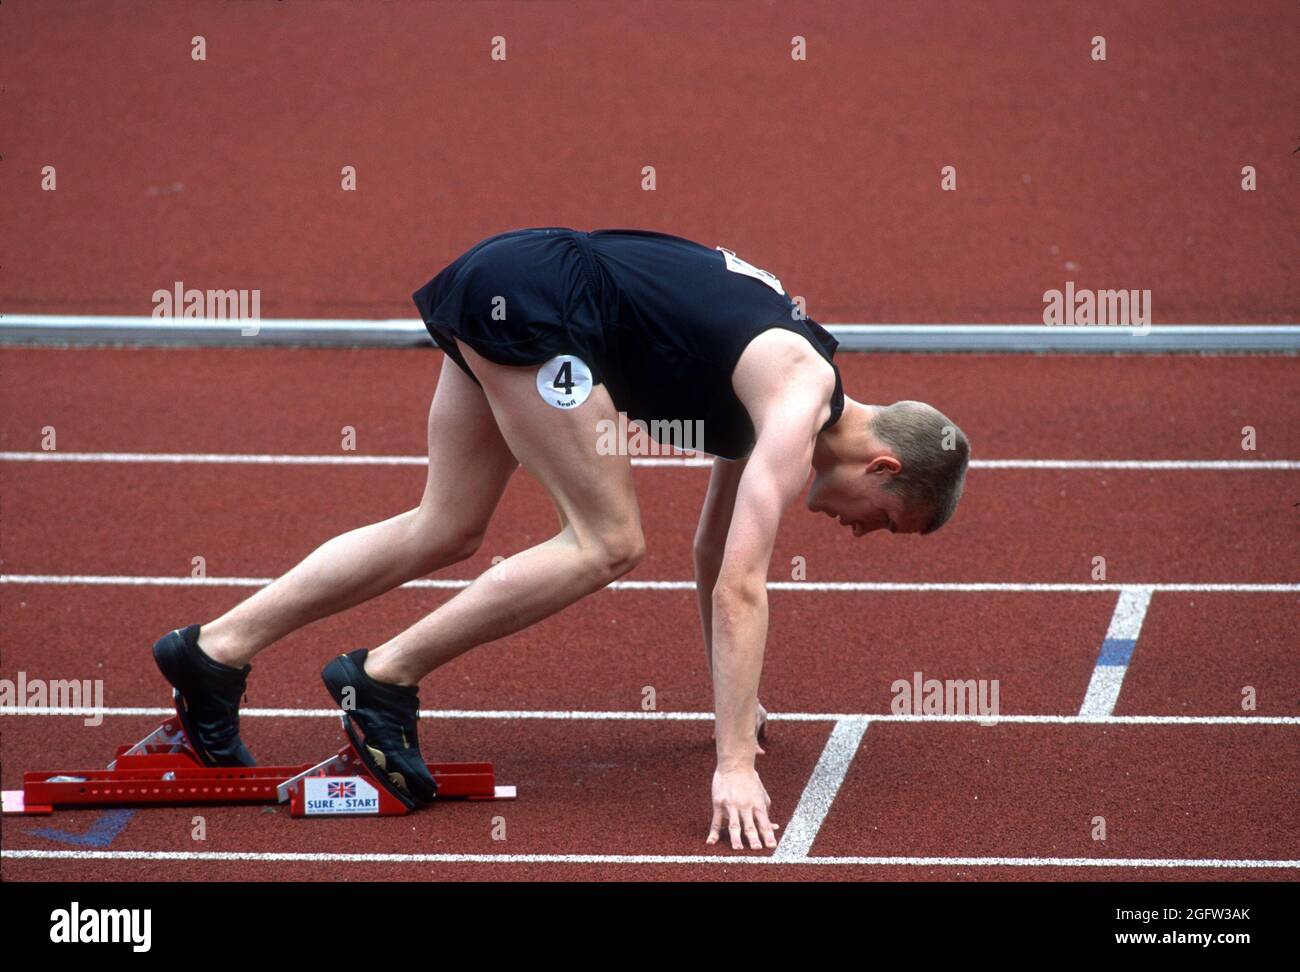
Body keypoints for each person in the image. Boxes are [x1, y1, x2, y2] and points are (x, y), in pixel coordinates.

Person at [152, 227, 970, 850]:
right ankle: (381, 678)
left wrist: (740, 703)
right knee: (607, 542)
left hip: (513, 281)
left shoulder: (787, 390)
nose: (863, 533)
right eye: (886, 520)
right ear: (883, 467)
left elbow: (714, 556)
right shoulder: (798, 395)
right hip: (541, 304)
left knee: (446, 524)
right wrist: (733, 764)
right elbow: (742, 586)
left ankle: (213, 652)